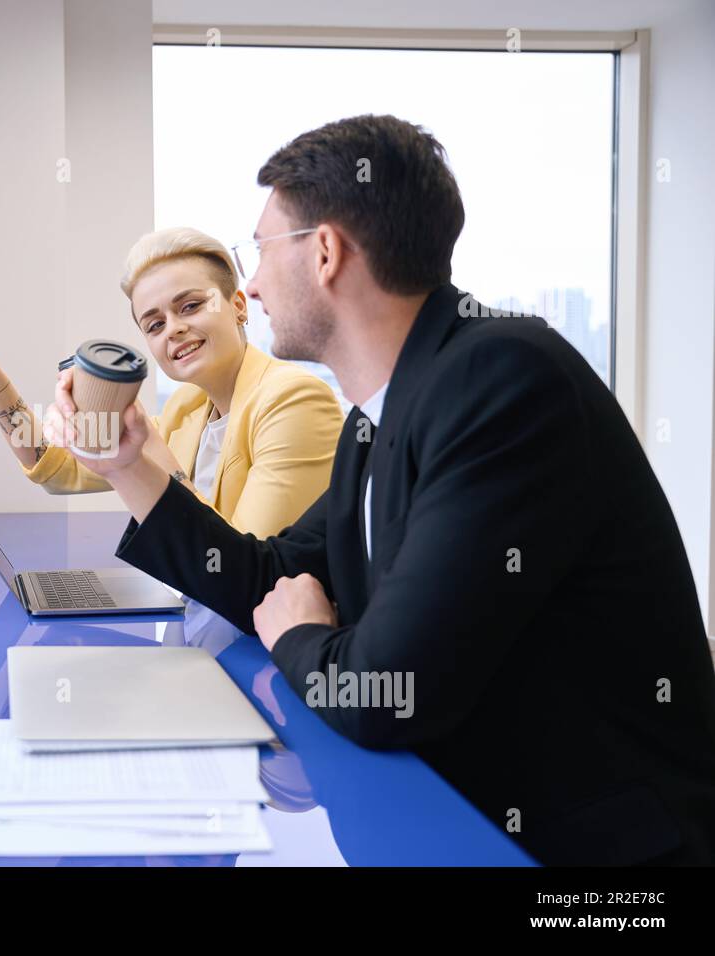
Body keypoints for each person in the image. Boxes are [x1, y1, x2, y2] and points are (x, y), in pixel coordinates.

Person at [45, 115, 715, 866]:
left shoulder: (504, 380)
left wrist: (300, 635)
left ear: (325, 252)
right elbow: (268, 576)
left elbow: (384, 690)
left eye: (261, 251)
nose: (254, 284)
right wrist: (128, 465)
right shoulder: (382, 415)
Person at [0, 227, 343, 538]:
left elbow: (243, 571)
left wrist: (147, 448)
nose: (173, 330)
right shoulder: (189, 408)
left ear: (238, 305)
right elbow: (57, 470)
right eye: (154, 324)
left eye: (189, 306)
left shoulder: (292, 400)